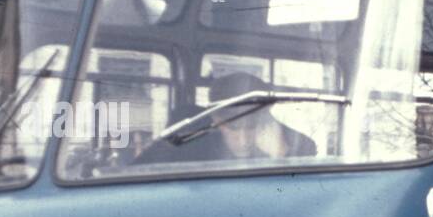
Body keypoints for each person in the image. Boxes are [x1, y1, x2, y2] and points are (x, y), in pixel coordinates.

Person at [135, 71, 317, 166]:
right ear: (215, 119)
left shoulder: (299, 146)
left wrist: (280, 157)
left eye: (252, 126)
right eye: (233, 128)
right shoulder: (189, 139)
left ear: (265, 118)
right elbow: (139, 173)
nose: (244, 140)